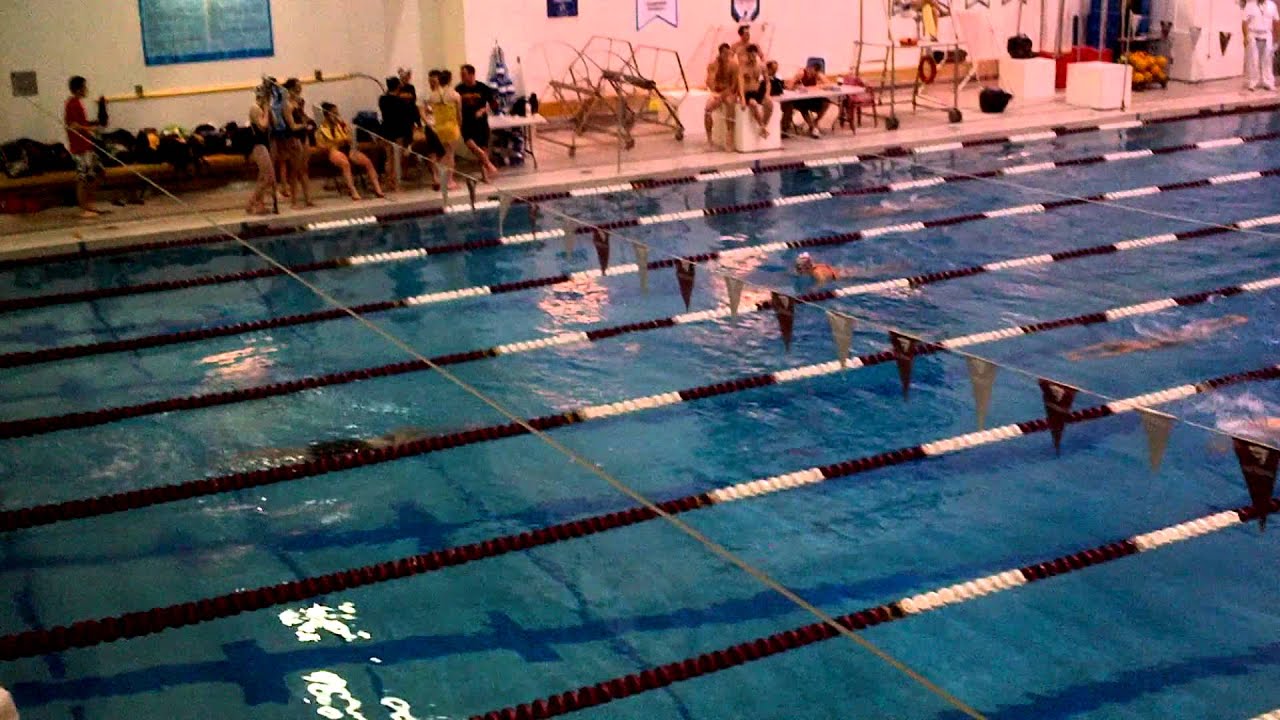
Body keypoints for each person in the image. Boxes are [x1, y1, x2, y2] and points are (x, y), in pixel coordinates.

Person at [233, 426, 432, 469]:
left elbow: (405, 433)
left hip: (353, 445)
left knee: (290, 454)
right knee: (291, 456)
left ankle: (237, 460)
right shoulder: (389, 444)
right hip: (354, 448)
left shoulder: (390, 439)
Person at [1065, 315, 1248, 360]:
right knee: (1115, 348)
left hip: (1155, 341)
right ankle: (1080, 354)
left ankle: (1079, 353)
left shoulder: (1186, 334)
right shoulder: (1187, 337)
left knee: (1114, 346)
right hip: (1154, 343)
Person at [317, 102, 384, 201]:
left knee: (367, 162)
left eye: (337, 113)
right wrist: (334, 144)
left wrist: (349, 141)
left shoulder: (342, 125)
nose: (336, 115)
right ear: (327, 115)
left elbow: (350, 138)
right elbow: (320, 145)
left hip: (348, 149)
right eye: (333, 113)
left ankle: (377, 188)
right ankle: (353, 190)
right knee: (345, 164)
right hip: (334, 150)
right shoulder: (322, 128)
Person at [64, 76, 106, 218]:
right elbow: (73, 125)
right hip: (79, 148)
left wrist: (93, 123)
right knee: (83, 179)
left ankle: (90, 204)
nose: (86, 89)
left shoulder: (78, 103)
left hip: (87, 146)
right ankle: (84, 208)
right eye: (84, 87)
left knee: (99, 173)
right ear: (78, 89)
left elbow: (80, 123)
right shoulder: (72, 104)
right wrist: (90, 129)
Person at [456, 64, 500, 181]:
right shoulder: (459, 89)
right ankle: (488, 164)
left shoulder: (483, 88)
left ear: (472, 74)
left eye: (463, 74)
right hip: (466, 122)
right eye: (461, 74)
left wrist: (483, 110)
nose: (461, 77)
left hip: (481, 123)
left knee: (483, 148)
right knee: (472, 146)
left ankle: (485, 176)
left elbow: (494, 105)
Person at [423, 69, 462, 191]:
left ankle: (438, 177)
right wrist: (460, 125)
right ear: (450, 80)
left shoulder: (432, 96)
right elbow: (459, 114)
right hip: (451, 127)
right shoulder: (455, 95)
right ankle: (449, 181)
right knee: (450, 155)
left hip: (439, 128)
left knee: (444, 153)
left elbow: (428, 110)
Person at [379, 76, 417, 191]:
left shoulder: (382, 100)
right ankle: (395, 183)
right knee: (397, 158)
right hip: (398, 131)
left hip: (386, 129)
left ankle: (389, 181)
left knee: (389, 158)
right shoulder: (401, 102)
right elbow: (406, 118)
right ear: (398, 86)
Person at [281, 78, 314, 208]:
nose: (300, 89)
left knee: (304, 168)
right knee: (295, 169)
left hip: (303, 136)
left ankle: (308, 198)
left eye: (300, 87)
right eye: (297, 87)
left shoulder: (300, 102)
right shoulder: (287, 105)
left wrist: (311, 121)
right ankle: (294, 201)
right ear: (290, 89)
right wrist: (305, 125)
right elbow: (292, 126)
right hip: (293, 138)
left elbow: (303, 117)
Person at [245, 84, 276, 214]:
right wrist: (267, 110)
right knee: (268, 177)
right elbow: (263, 125)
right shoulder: (255, 108)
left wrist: (269, 110)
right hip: (258, 145)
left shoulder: (263, 108)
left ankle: (259, 204)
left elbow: (274, 124)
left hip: (264, 145)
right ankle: (251, 202)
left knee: (264, 176)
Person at [705, 43, 741, 148]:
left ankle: (729, 135)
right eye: (724, 53)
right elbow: (710, 83)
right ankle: (709, 138)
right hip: (717, 92)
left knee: (730, 104)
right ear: (720, 54)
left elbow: (733, 86)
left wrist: (722, 97)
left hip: (729, 92)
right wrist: (716, 93)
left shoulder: (733, 66)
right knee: (707, 109)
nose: (726, 56)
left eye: (728, 53)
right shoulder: (713, 65)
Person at [786, 61, 833, 138]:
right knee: (803, 107)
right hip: (799, 99)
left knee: (826, 102)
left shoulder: (817, 74)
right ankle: (812, 127)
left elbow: (829, 84)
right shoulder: (801, 73)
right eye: (811, 70)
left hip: (810, 97)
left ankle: (815, 122)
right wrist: (796, 87)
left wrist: (813, 87)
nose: (812, 73)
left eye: (815, 72)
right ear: (809, 68)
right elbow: (789, 86)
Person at [1243, 0, 1280, 91]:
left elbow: (1277, 21)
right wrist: (1245, 36)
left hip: (1267, 34)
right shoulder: (1249, 5)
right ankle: (1252, 82)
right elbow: (1244, 22)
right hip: (1253, 33)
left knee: (1267, 60)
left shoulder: (1272, 5)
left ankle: (1268, 82)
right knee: (1253, 59)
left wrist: (1277, 37)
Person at [740, 44, 773, 138]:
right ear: (747, 55)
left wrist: (767, 94)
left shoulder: (761, 66)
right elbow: (740, 84)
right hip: (748, 93)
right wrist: (742, 99)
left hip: (757, 91)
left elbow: (768, 82)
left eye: (754, 56)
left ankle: (763, 127)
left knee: (770, 104)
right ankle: (762, 127)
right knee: (753, 104)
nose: (752, 58)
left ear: (756, 55)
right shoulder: (743, 67)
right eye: (750, 56)